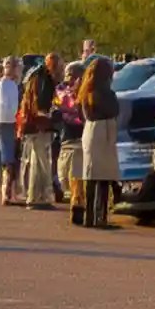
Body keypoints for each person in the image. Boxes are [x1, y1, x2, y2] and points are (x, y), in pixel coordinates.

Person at [80, 57, 120, 229]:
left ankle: (88, 216)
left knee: (90, 174)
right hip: (104, 130)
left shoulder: (86, 92)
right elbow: (114, 110)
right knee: (104, 176)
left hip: (90, 130)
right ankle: (100, 216)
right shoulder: (107, 93)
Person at [20, 55, 60, 210]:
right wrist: (51, 115)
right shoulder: (43, 80)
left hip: (33, 125)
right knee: (40, 162)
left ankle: (35, 196)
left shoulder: (36, 76)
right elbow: (40, 104)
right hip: (39, 126)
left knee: (37, 161)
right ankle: (38, 197)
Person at [56, 61, 87, 225]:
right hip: (70, 136)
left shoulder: (85, 92)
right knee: (71, 173)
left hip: (79, 138)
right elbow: (68, 108)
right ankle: (77, 199)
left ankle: (78, 202)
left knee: (77, 172)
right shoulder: (63, 91)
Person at [0, 57, 22, 205]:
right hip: (5, 123)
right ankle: (6, 193)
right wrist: (17, 116)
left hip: (11, 123)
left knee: (13, 159)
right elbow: (5, 105)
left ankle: (11, 192)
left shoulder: (13, 84)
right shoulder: (4, 83)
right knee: (8, 158)